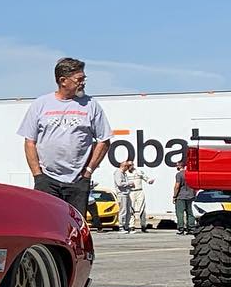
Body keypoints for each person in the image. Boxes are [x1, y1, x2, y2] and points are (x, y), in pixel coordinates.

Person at [17, 57, 110, 220]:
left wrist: (87, 172)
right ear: (63, 81)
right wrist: (38, 175)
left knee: (75, 228)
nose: (83, 82)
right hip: (47, 180)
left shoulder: (91, 105)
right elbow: (29, 142)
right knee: (45, 226)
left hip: (77, 181)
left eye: (84, 78)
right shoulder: (41, 104)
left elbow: (104, 140)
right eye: (79, 79)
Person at [113, 159, 154, 232]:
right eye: (128, 166)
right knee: (130, 210)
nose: (130, 167)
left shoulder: (138, 172)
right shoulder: (123, 173)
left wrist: (149, 181)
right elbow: (120, 183)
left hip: (139, 191)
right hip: (130, 192)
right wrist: (130, 184)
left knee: (141, 209)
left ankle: (143, 225)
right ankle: (131, 225)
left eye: (131, 165)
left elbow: (146, 178)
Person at [173, 161, 197, 234]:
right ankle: (191, 228)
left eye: (177, 165)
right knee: (190, 213)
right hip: (190, 196)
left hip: (181, 196)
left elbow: (177, 186)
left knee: (180, 213)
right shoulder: (189, 174)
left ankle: (181, 228)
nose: (176, 167)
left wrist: (174, 196)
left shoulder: (179, 174)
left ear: (180, 166)